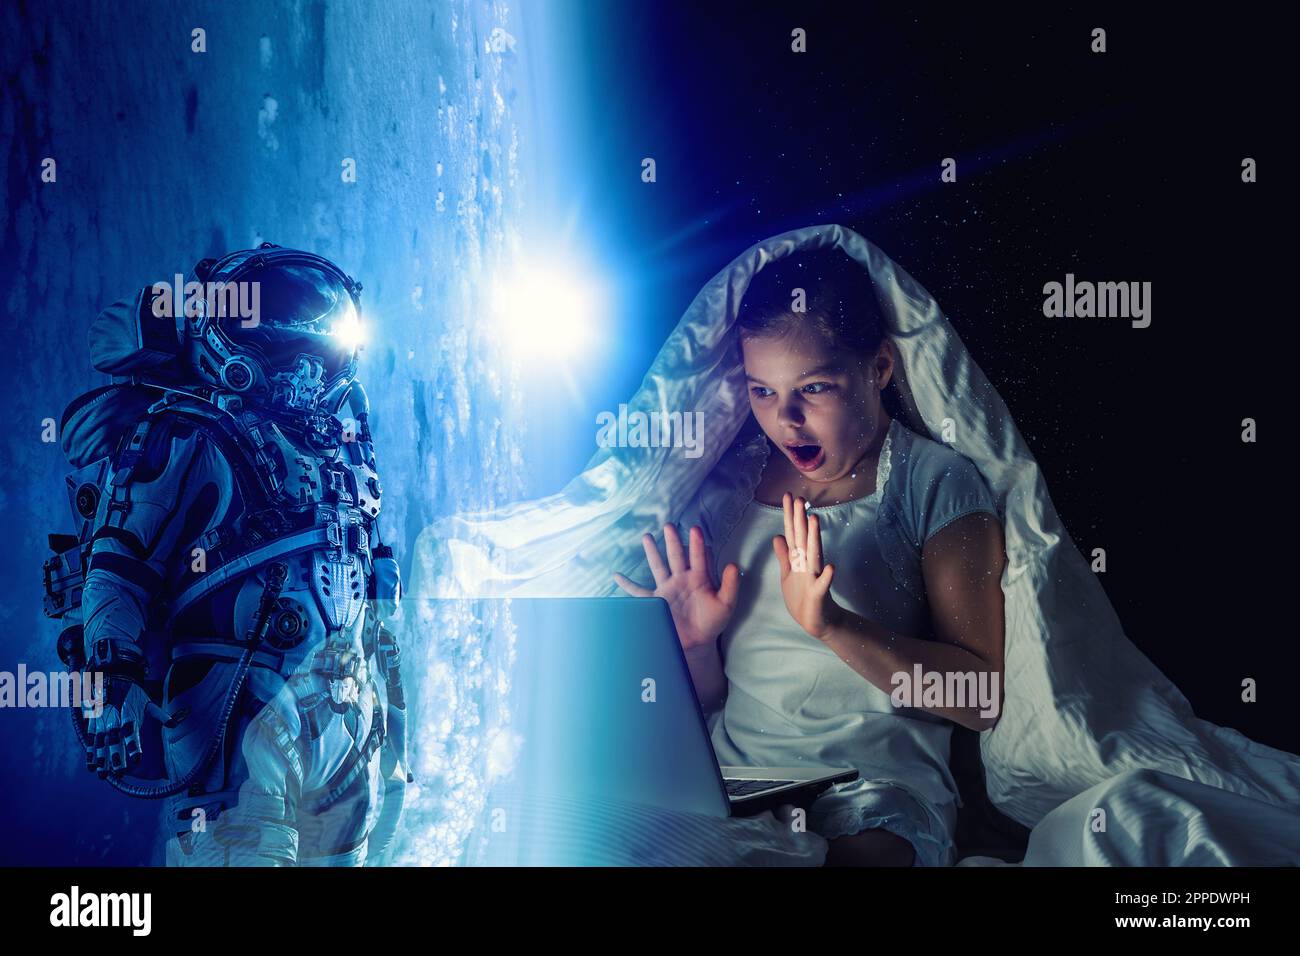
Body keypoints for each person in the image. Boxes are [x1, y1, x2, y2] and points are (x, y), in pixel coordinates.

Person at [613, 247, 1007, 866]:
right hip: (738, 779)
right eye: (762, 391)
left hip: (875, 790)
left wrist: (833, 626)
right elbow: (716, 698)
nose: (785, 419)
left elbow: (980, 697)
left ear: (879, 367)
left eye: (814, 387)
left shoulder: (933, 480)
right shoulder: (732, 486)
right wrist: (692, 644)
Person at [50, 244, 407, 865]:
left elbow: (369, 597)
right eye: (286, 334)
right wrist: (108, 680)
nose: (303, 361)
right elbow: (118, 567)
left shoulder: (343, 461)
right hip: (235, 711)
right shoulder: (191, 431)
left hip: (343, 718)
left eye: (317, 340)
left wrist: (392, 731)